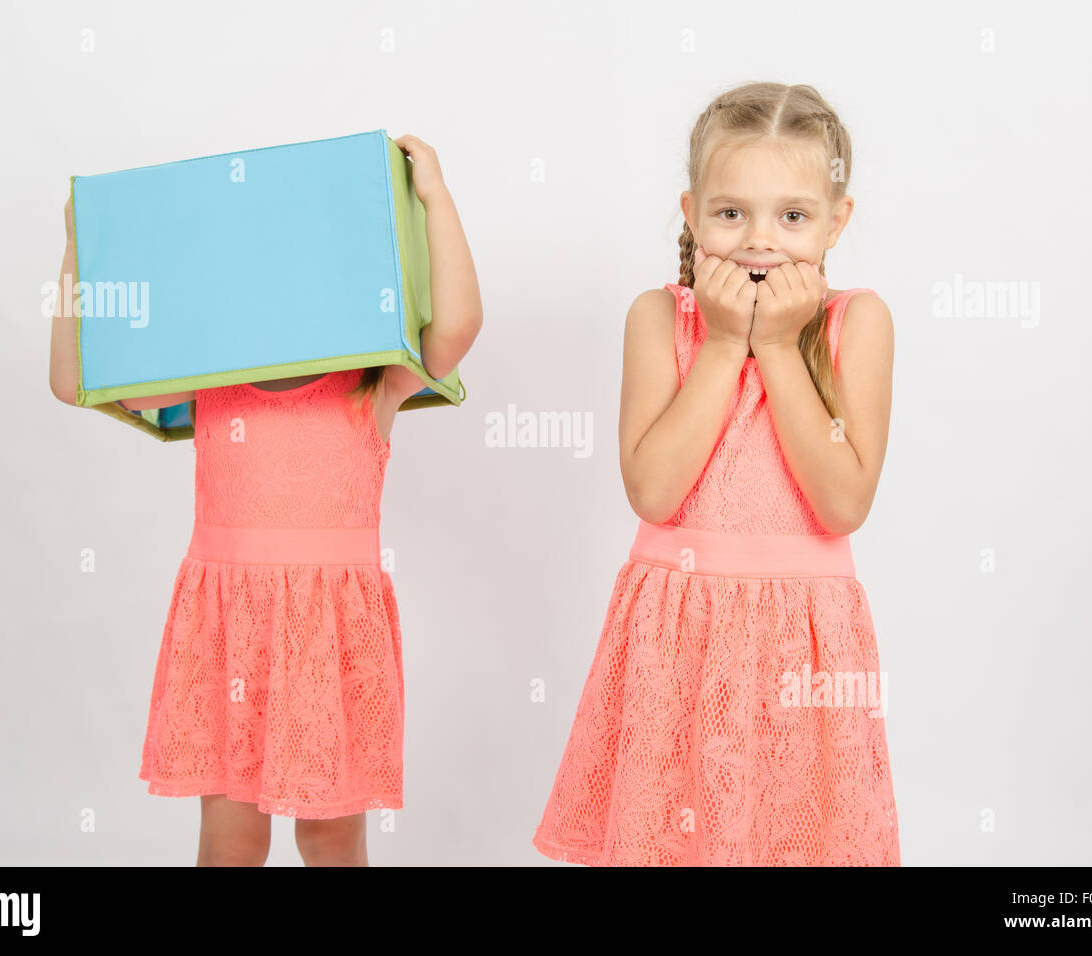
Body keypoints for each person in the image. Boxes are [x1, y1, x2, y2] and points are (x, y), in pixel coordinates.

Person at [49, 134, 482, 866]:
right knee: (231, 837)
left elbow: (457, 327)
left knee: (331, 833)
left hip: (328, 634)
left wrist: (433, 195)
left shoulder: (372, 382)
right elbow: (78, 377)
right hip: (231, 627)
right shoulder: (211, 378)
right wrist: (79, 249)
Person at [532, 83, 901, 865]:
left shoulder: (857, 322)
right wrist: (727, 343)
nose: (759, 242)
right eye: (732, 213)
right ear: (693, 213)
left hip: (803, 648)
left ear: (836, 221)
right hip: (677, 634)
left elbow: (842, 504)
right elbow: (654, 491)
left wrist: (776, 344)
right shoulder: (660, 318)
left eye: (793, 216)